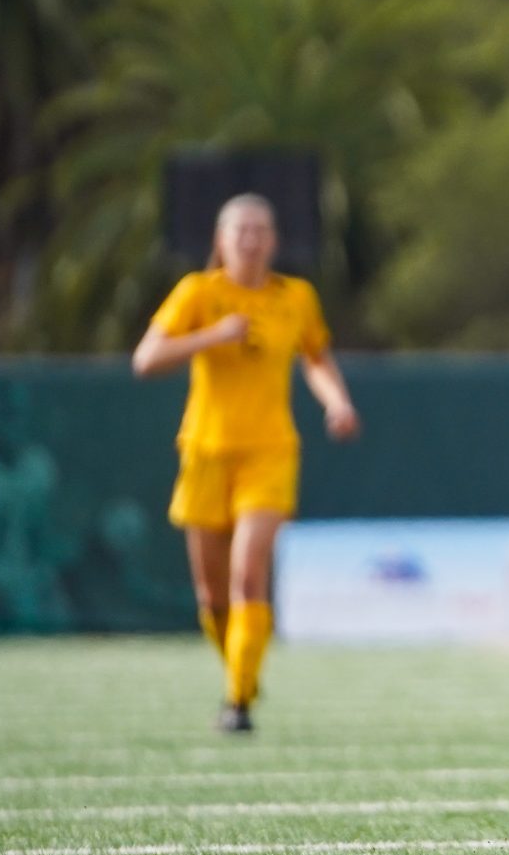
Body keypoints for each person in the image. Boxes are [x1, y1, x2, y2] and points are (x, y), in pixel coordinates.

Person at [132, 194, 360, 732]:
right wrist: (213, 336)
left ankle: (237, 702)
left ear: (274, 240)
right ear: (222, 239)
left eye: (261, 230)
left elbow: (316, 357)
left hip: (270, 451)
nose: (252, 240)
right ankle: (243, 673)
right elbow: (146, 360)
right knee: (212, 597)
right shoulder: (198, 292)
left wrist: (337, 402)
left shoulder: (296, 297)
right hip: (206, 451)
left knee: (247, 575)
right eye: (241, 230)